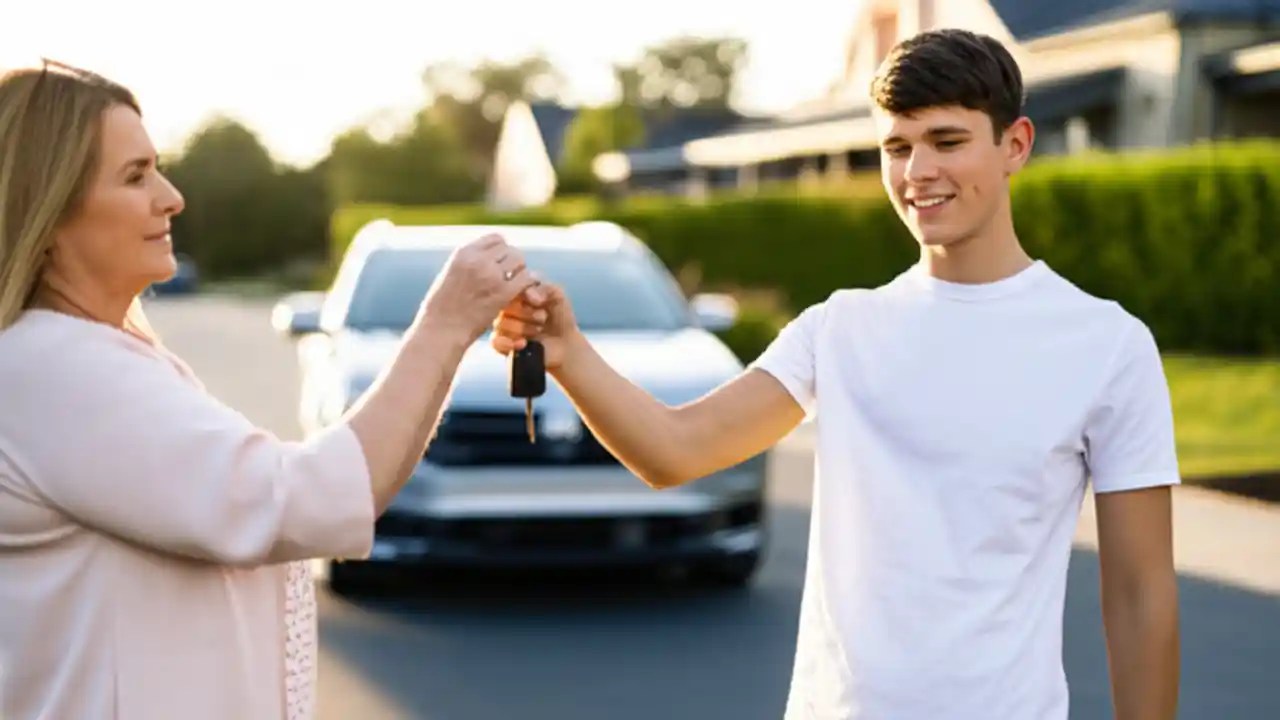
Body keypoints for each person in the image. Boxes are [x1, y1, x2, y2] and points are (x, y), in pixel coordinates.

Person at [492, 29, 1180, 720]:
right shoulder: (840, 329)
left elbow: (1139, 595)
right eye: (896, 146)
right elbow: (676, 451)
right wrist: (570, 356)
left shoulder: (1106, 345)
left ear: (1016, 145)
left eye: (946, 141)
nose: (917, 172)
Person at [0, 60, 545, 720]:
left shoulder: (78, 359)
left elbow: (329, 495)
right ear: (48, 209)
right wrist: (444, 322)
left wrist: (452, 332)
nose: (172, 197)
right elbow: (302, 501)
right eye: (135, 176)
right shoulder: (56, 370)